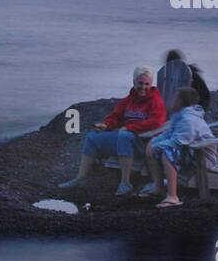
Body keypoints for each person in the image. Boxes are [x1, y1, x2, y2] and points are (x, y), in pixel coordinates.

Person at [59, 66, 166, 196]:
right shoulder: (129, 99)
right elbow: (116, 116)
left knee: (124, 135)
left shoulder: (155, 100)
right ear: (134, 82)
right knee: (92, 137)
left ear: (151, 84)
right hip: (125, 139)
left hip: (143, 143)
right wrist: (105, 125)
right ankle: (80, 179)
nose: (143, 87)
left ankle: (125, 183)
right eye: (140, 83)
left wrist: (130, 128)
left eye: (147, 84)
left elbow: (156, 122)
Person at [140, 87, 216, 209]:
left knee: (168, 152)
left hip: (202, 157)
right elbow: (169, 134)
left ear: (181, 102)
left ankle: (173, 197)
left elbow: (179, 141)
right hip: (190, 151)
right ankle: (158, 187)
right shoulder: (181, 115)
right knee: (154, 144)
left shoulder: (188, 119)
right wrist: (154, 142)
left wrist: (156, 147)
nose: (172, 100)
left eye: (175, 98)